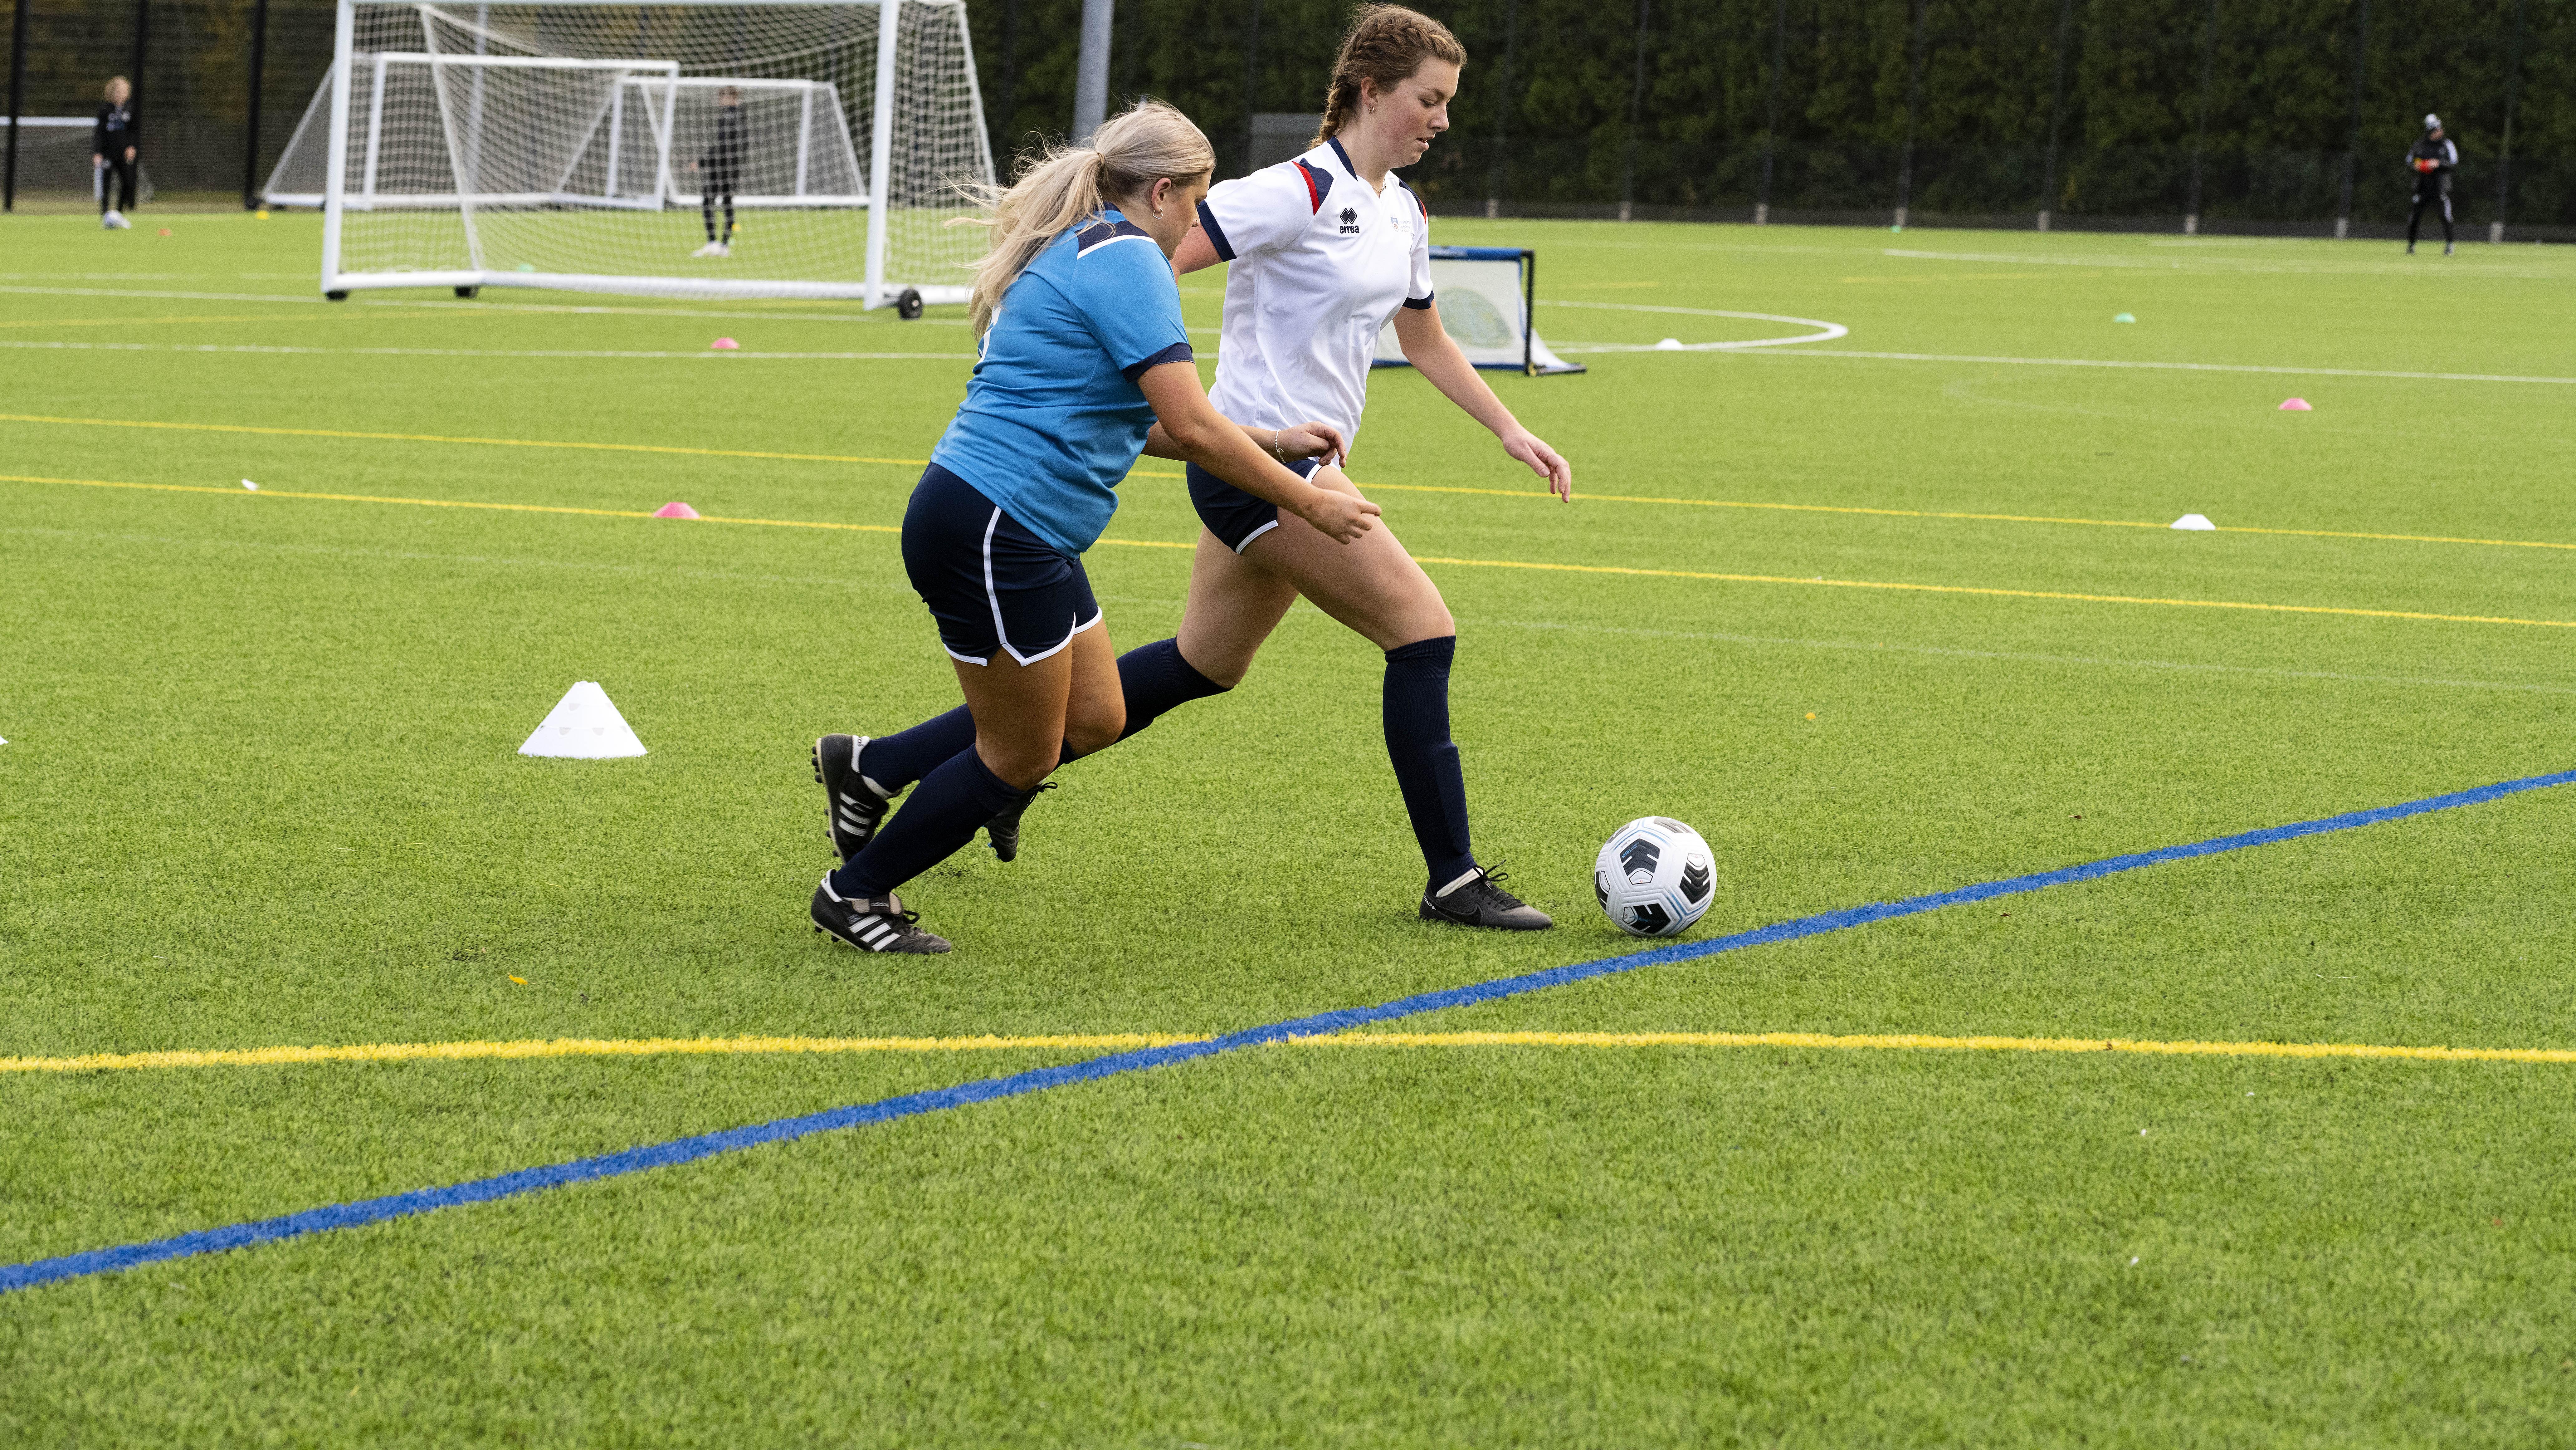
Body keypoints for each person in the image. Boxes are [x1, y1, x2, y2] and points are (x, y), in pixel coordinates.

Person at [817, 5, 1572, 933]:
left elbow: (1423, 337)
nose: (1442, 119)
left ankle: (884, 763)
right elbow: (1165, 266)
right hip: (1243, 455)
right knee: (1422, 633)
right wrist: (1269, 462)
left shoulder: (1401, 211)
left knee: (1193, 668)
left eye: (1448, 102)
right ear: (1372, 92)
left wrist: (1507, 427)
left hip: (1266, 454)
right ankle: (1452, 876)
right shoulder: (1275, 197)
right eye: (1430, 99)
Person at [808, 101, 1373, 954]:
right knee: (1021, 752)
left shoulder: (1089, 248)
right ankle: (856, 892)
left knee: (1098, 713)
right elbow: (1187, 426)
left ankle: (874, 765)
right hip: (995, 526)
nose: (1198, 220)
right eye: (1195, 200)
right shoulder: (1129, 263)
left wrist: (1269, 438)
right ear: (1159, 190)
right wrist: (1306, 497)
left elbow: (1124, 418)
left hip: (1015, 527)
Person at [690, 86, 746, 258]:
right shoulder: (742, 116)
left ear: (730, 98)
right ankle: (725, 247)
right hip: (733, 168)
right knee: (727, 204)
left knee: (708, 201)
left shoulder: (728, 116)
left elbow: (722, 146)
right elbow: (743, 146)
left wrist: (702, 162)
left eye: (722, 98)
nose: (720, 101)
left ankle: (713, 243)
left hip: (720, 167)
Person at [2406, 114, 2459, 256]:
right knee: (2415, 217)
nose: (2440, 132)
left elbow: (2454, 163)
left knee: (2445, 217)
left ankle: (2450, 245)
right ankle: (2411, 245)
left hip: (2440, 188)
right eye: (2437, 130)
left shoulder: (2446, 144)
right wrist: (2421, 166)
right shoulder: (2420, 145)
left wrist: (2439, 164)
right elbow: (2410, 162)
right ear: (2431, 131)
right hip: (2422, 188)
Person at [93, 76, 137, 231]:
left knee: (128, 183)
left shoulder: (130, 109)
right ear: (112, 92)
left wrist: (132, 146)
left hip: (123, 154)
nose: (120, 94)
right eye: (117, 91)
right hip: (107, 153)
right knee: (105, 185)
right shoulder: (105, 110)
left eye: (124, 91)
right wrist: (97, 152)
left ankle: (118, 213)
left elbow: (133, 132)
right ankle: (105, 215)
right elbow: (99, 133)